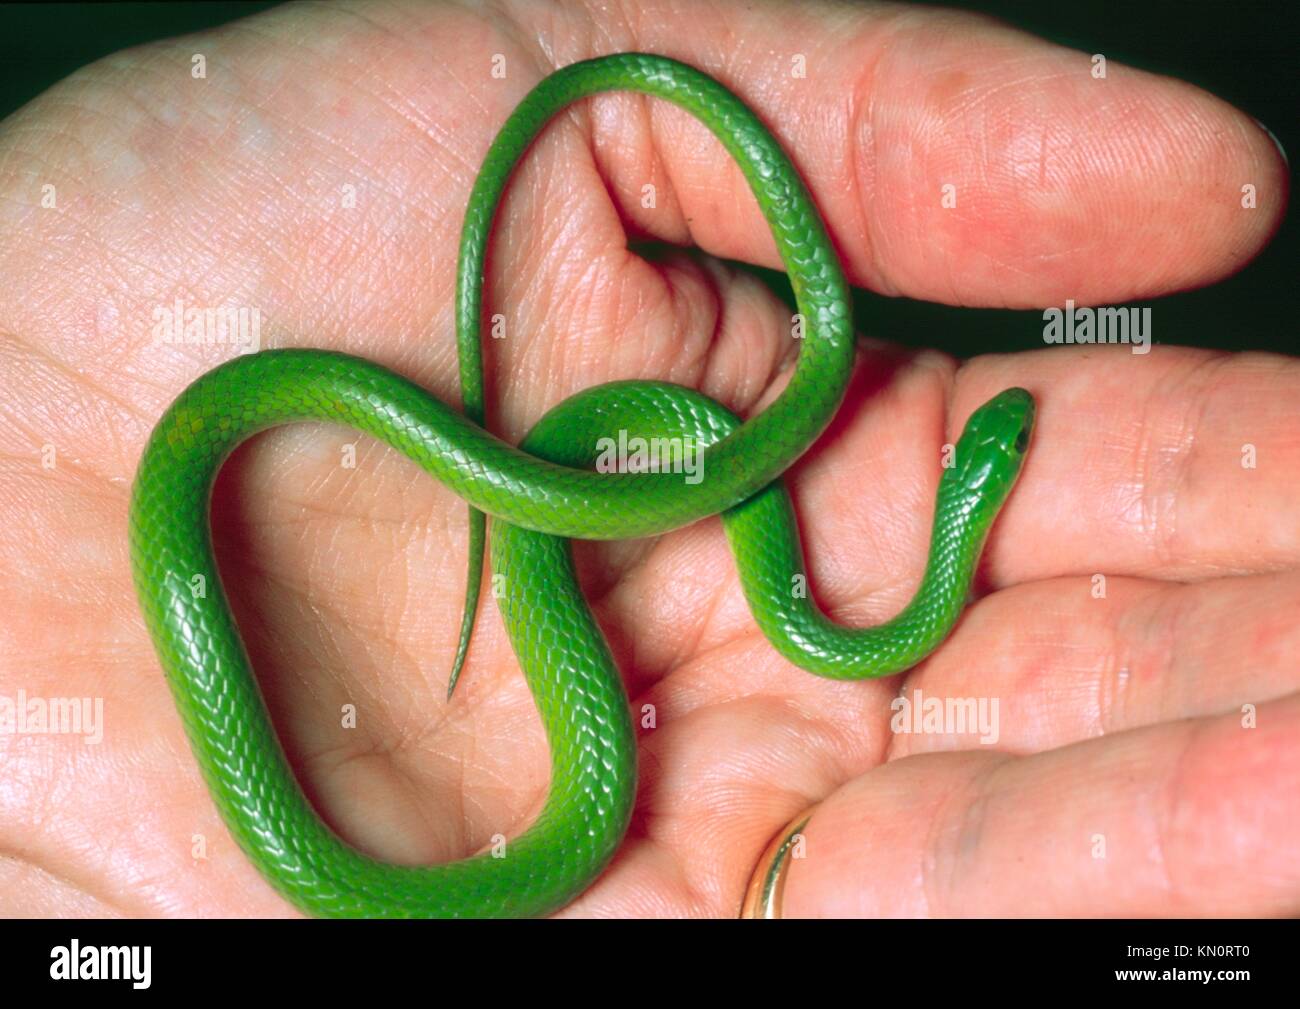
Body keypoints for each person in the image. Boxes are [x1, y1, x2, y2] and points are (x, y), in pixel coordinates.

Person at [0, 0, 1291, 918]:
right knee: (572, 504)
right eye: (987, 448)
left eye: (985, 455)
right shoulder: (745, 501)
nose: (990, 445)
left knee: (572, 524)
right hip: (598, 456)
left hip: (644, 460)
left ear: (983, 491)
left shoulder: (767, 533)